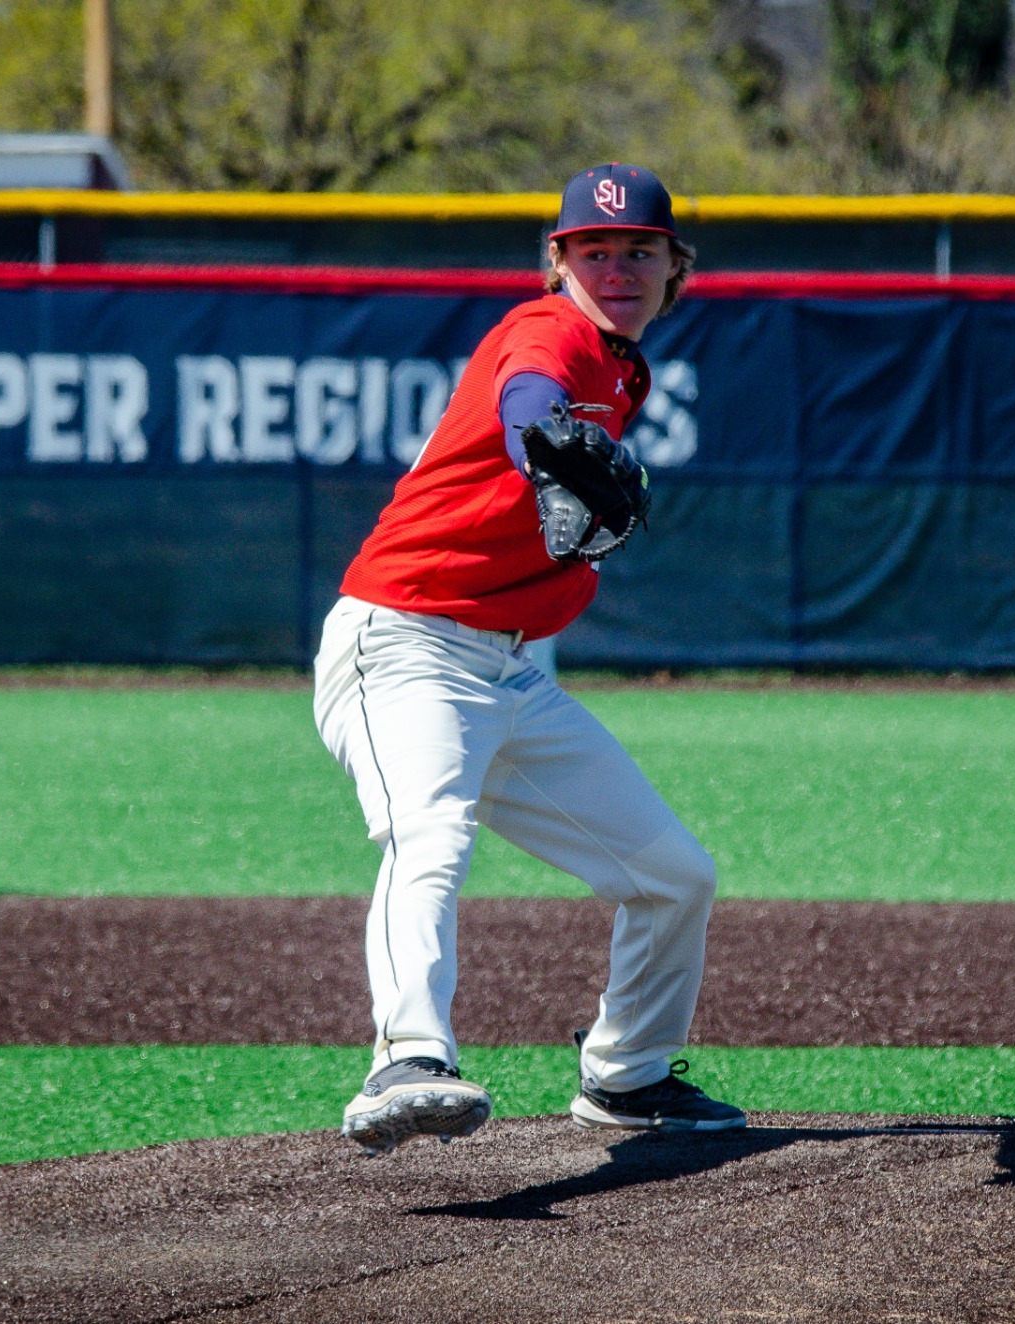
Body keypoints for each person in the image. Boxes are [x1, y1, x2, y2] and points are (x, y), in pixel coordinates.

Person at [313, 164, 745, 1155]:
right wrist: (545, 442)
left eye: (637, 249)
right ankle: (405, 1057)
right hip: (403, 644)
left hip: (508, 672)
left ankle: (627, 1076)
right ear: (556, 263)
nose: (616, 265)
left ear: (674, 266)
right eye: (592, 250)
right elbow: (527, 399)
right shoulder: (549, 331)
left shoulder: (622, 367)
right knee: (429, 837)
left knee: (672, 874)